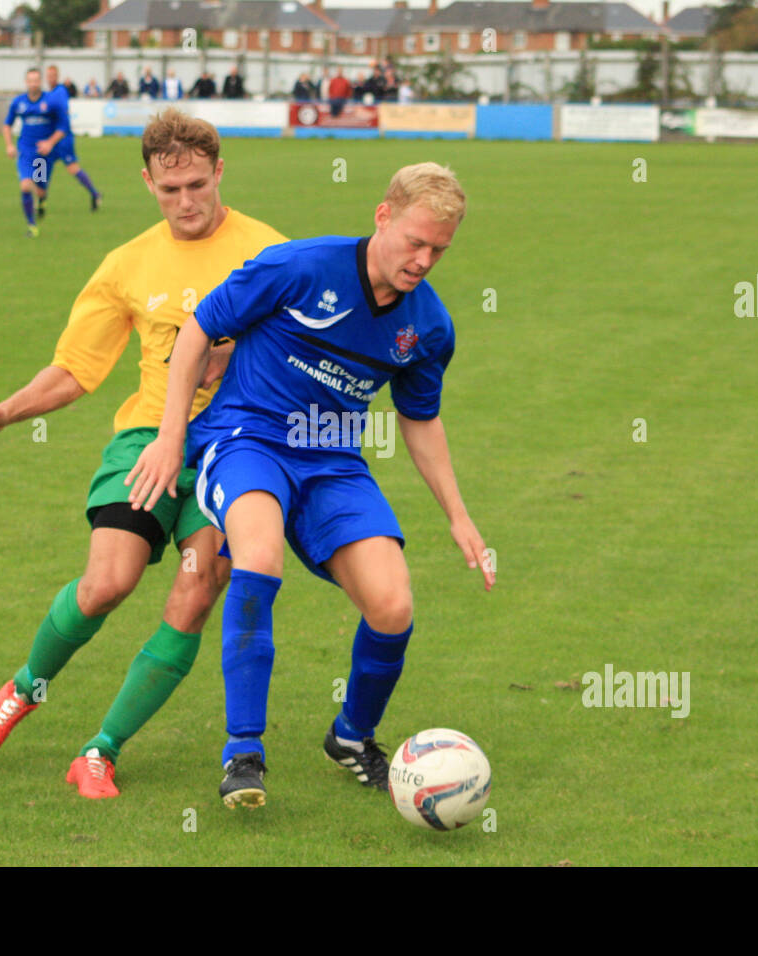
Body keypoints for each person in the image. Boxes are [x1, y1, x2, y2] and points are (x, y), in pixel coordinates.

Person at [124, 163, 493, 809]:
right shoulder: (297, 266)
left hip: (333, 461)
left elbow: (420, 419)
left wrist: (459, 517)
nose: (424, 260)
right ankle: (243, 751)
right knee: (258, 559)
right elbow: (200, 329)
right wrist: (169, 435)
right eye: (415, 241)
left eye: (439, 249)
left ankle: (351, 736)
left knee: (392, 604)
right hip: (248, 439)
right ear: (383, 216)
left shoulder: (427, 326)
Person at [0, 109, 288, 800]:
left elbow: (305, 351)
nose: (187, 203)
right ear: (147, 182)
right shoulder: (128, 264)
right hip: (146, 440)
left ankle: (100, 751)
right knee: (108, 583)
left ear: (220, 171)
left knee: (196, 590)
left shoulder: (270, 254)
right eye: (170, 191)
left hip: (235, 453)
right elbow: (76, 369)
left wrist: (238, 352)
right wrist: (8, 410)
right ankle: (26, 687)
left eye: (198, 185)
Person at [2, 67, 65, 238]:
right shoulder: (19, 102)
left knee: (40, 191)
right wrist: (9, 145)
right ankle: (32, 225)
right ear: (26, 82)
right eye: (30, 80)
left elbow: (63, 127)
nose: (33, 84)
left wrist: (50, 142)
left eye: (36, 80)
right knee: (25, 185)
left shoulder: (50, 102)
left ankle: (42, 201)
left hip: (42, 155)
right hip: (26, 151)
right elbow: (7, 124)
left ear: (40, 81)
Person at [44, 64, 102, 214]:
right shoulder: (48, 94)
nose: (50, 78)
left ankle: (94, 193)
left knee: (72, 168)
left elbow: (63, 111)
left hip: (63, 138)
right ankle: (40, 200)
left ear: (57, 77)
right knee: (41, 164)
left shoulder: (60, 91)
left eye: (53, 76)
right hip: (51, 137)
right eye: (48, 76)